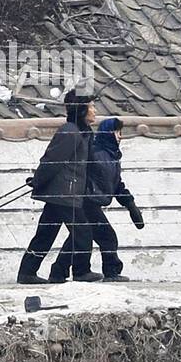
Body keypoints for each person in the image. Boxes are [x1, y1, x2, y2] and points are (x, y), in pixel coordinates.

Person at [17, 91, 99, 284]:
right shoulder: (70, 132)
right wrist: (37, 180)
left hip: (64, 193)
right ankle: (81, 271)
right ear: (81, 110)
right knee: (83, 231)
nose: (95, 110)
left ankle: (27, 273)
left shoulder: (81, 132)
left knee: (46, 234)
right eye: (92, 106)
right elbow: (52, 160)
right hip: (64, 193)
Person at [53, 117, 145, 282]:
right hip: (86, 201)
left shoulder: (112, 157)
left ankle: (58, 272)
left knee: (77, 238)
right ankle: (110, 272)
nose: (120, 136)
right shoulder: (93, 153)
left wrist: (130, 205)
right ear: (108, 133)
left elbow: (116, 185)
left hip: (92, 202)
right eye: (117, 132)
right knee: (106, 237)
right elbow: (76, 171)